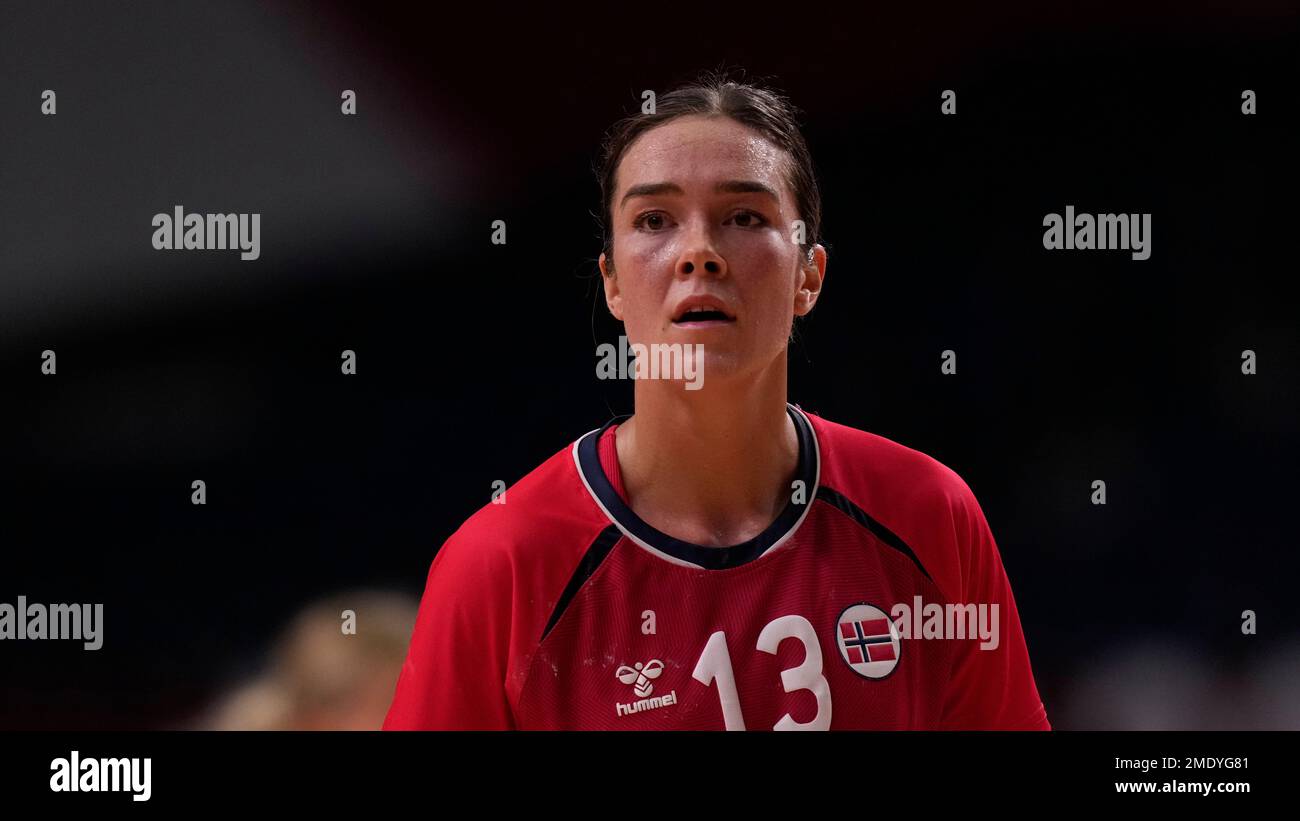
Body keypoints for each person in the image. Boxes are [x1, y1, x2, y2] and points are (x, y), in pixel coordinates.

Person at [385, 71, 1049, 730]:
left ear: (809, 276)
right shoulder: (499, 566)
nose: (699, 252)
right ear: (612, 283)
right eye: (654, 219)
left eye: (743, 216)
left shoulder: (928, 512)